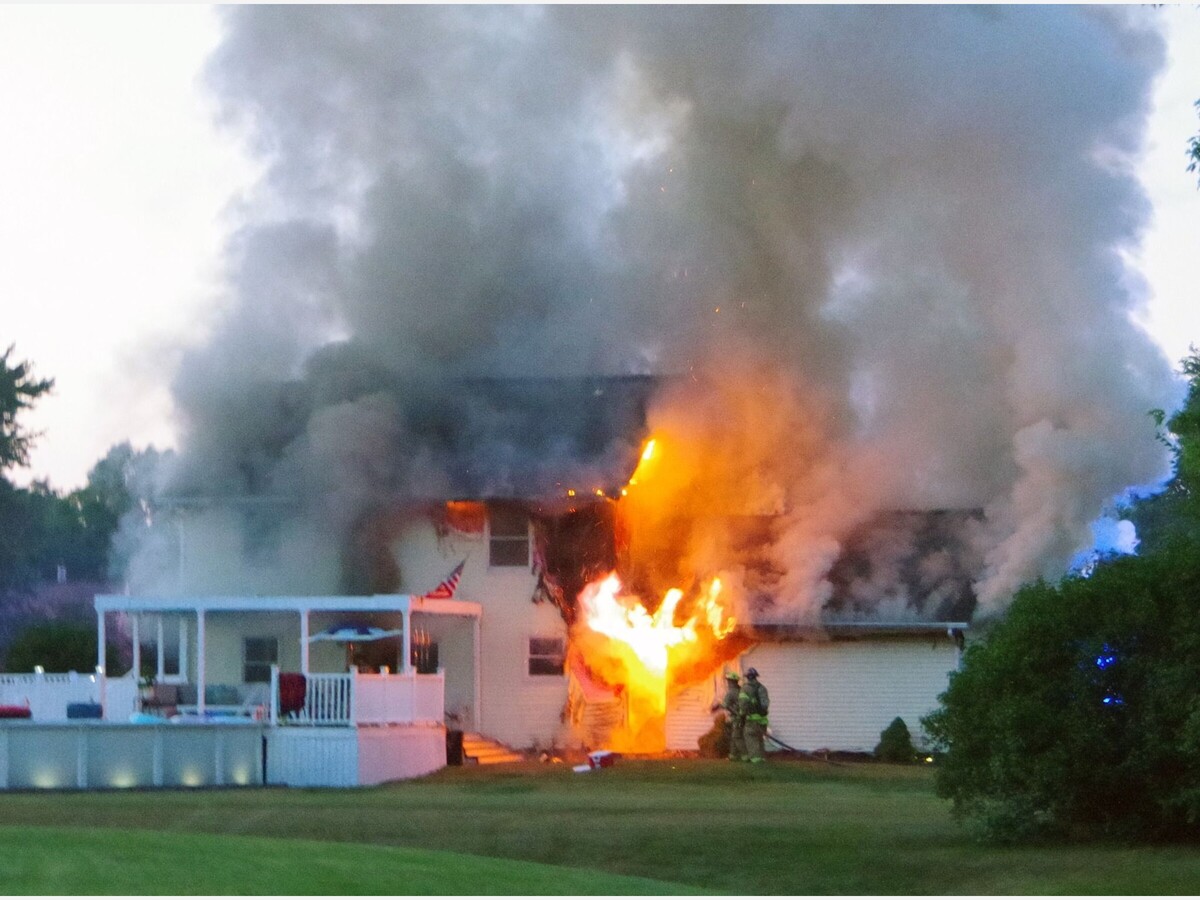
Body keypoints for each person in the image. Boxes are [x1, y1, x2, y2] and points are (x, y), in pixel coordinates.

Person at [710, 671, 744, 761]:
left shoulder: (731, 692)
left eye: (729, 681)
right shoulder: (740, 690)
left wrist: (715, 708)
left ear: (732, 682)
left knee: (737, 737)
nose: (728, 683)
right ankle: (733, 756)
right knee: (735, 736)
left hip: (736, 717)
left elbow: (725, 704)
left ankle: (745, 756)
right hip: (741, 717)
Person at [739, 668, 770, 763]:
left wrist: (742, 715)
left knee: (751, 737)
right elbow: (766, 704)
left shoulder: (745, 688)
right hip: (763, 721)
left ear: (748, 677)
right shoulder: (762, 688)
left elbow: (743, 705)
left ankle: (756, 759)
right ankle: (762, 757)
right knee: (760, 738)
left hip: (752, 720)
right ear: (756, 676)